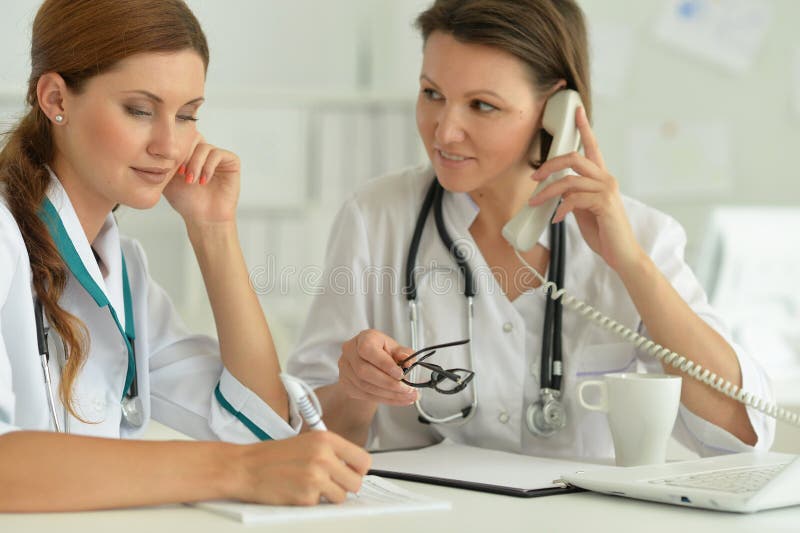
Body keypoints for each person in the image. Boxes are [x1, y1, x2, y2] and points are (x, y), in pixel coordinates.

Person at [287, 0, 776, 458]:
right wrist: (356, 389)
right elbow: (304, 438)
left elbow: (740, 435)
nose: (444, 131)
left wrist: (630, 265)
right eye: (432, 93)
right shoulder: (376, 217)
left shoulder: (642, 235)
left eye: (482, 105)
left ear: (556, 112)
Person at [0, 0, 369, 512]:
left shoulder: (123, 271)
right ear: (56, 97)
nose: (169, 145)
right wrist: (236, 472)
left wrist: (213, 230)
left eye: (188, 115)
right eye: (140, 110)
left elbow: (260, 428)